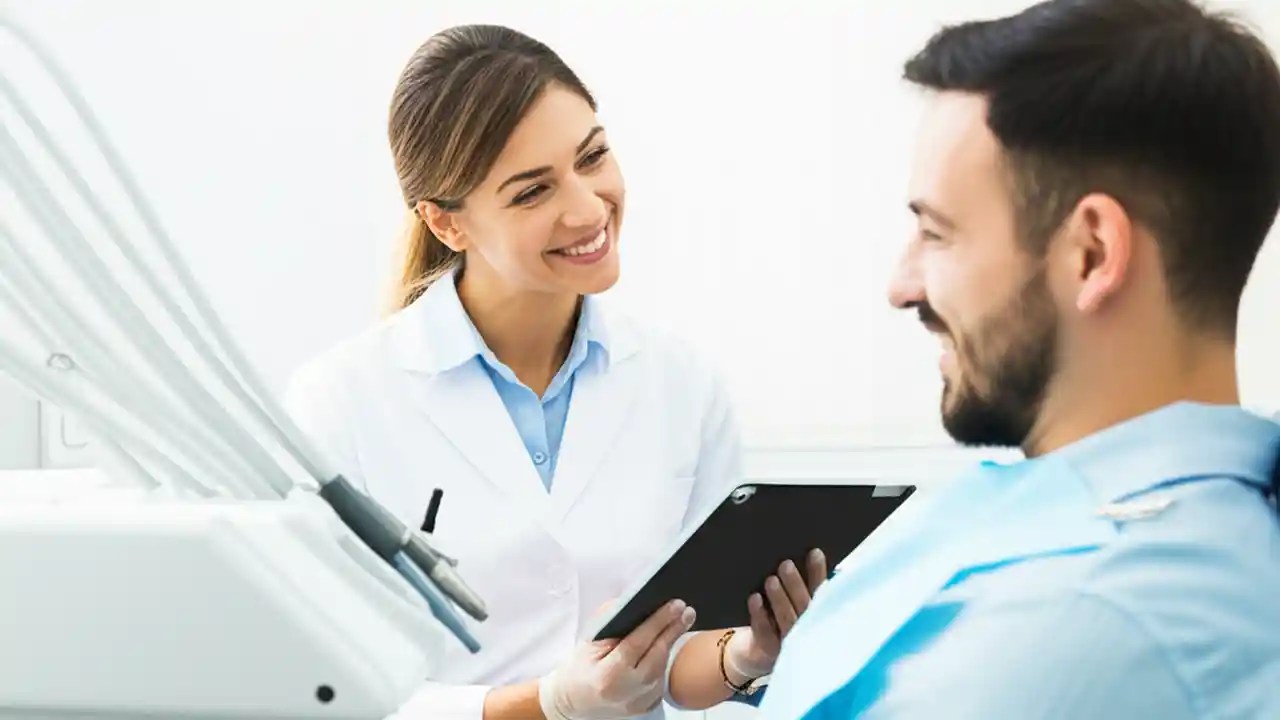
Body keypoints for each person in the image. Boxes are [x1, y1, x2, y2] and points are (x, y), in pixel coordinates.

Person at [284, 24, 826, 720]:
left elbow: (680, 650)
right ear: (447, 224)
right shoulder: (339, 403)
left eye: (592, 156)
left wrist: (745, 655)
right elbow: (332, 688)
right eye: (532, 192)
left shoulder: (682, 385)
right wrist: (545, 704)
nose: (588, 207)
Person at [756, 0, 1280, 717]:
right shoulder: (1136, 527)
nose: (901, 286)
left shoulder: (1076, 626)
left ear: (1091, 253)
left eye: (937, 234)